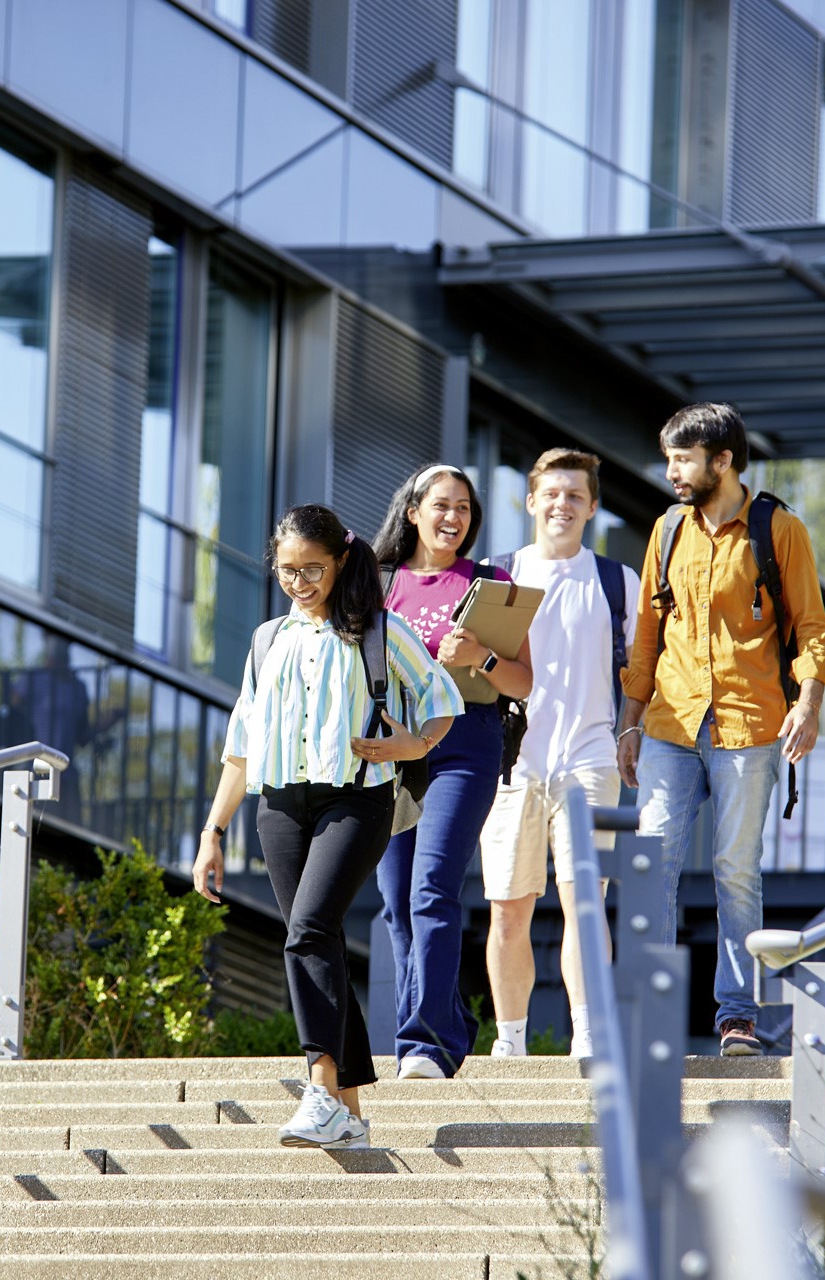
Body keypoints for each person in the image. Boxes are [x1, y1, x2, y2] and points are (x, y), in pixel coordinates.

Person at [192, 504, 462, 1148]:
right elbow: (241, 747)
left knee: (308, 932)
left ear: (342, 560)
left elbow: (442, 702)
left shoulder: (380, 631)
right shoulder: (267, 640)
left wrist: (410, 747)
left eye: (312, 569)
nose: (299, 582)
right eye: (286, 571)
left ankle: (318, 1090)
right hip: (280, 805)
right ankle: (354, 1115)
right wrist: (212, 833)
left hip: (357, 798)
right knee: (319, 943)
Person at [617, 403, 825, 1057]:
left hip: (752, 722)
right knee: (651, 859)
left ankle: (736, 1017)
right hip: (668, 722)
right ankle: (648, 1009)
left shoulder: (780, 530)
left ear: (723, 461)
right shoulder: (667, 531)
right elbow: (647, 636)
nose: (672, 472)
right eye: (669, 459)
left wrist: (809, 704)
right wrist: (629, 725)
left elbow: (812, 627)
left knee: (735, 868)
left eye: (682, 460)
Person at [370, 464, 534, 1080]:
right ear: (412, 512)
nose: (454, 518)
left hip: (466, 744)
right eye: (442, 505)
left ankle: (423, 1046)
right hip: (393, 749)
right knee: (394, 901)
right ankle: (449, 1025)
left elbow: (523, 682)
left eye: (464, 507)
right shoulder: (378, 584)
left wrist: (481, 657)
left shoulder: (492, 582)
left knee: (431, 886)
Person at [477, 449, 637, 1060]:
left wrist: (630, 733)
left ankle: (589, 1034)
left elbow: (643, 674)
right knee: (509, 911)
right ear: (531, 501)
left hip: (590, 761)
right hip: (512, 764)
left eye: (575, 495)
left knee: (586, 906)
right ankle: (510, 1041)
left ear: (592, 506)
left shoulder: (617, 581)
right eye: (552, 493)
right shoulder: (497, 575)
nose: (562, 504)